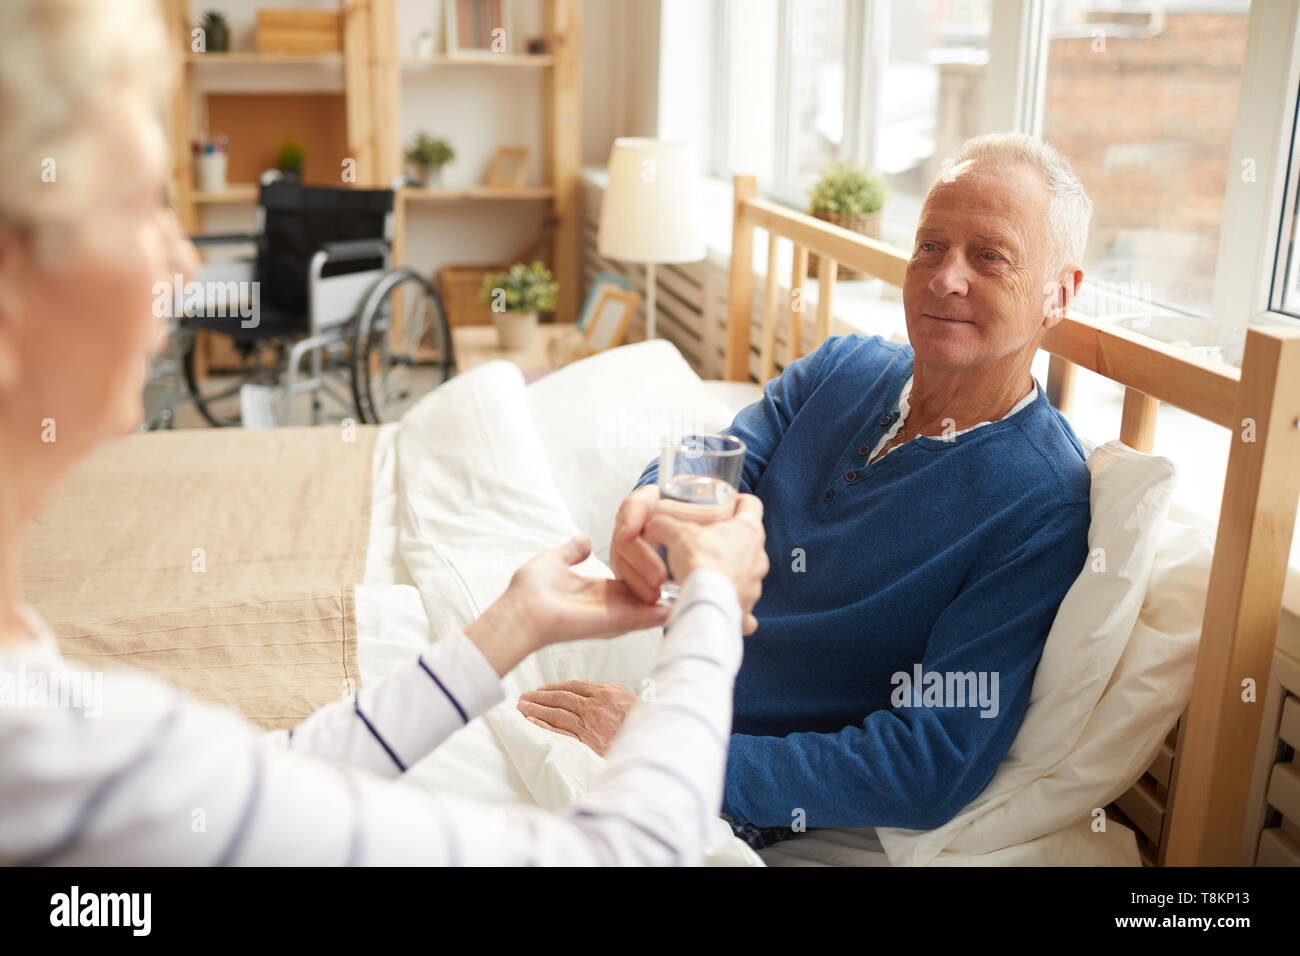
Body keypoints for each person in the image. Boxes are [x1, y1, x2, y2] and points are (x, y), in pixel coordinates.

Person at [0, 0, 767, 866]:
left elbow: (246, 788)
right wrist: (710, 602)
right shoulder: (45, 750)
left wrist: (508, 627)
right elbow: (631, 856)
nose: (181, 265)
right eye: (141, 206)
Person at [521, 133, 1095, 842]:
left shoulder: (1041, 503)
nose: (946, 277)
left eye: (990, 257)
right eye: (930, 247)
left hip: (719, 781)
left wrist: (672, 752)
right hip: (663, 677)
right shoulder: (844, 367)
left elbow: (928, 766)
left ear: (1058, 295)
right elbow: (718, 456)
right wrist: (660, 504)